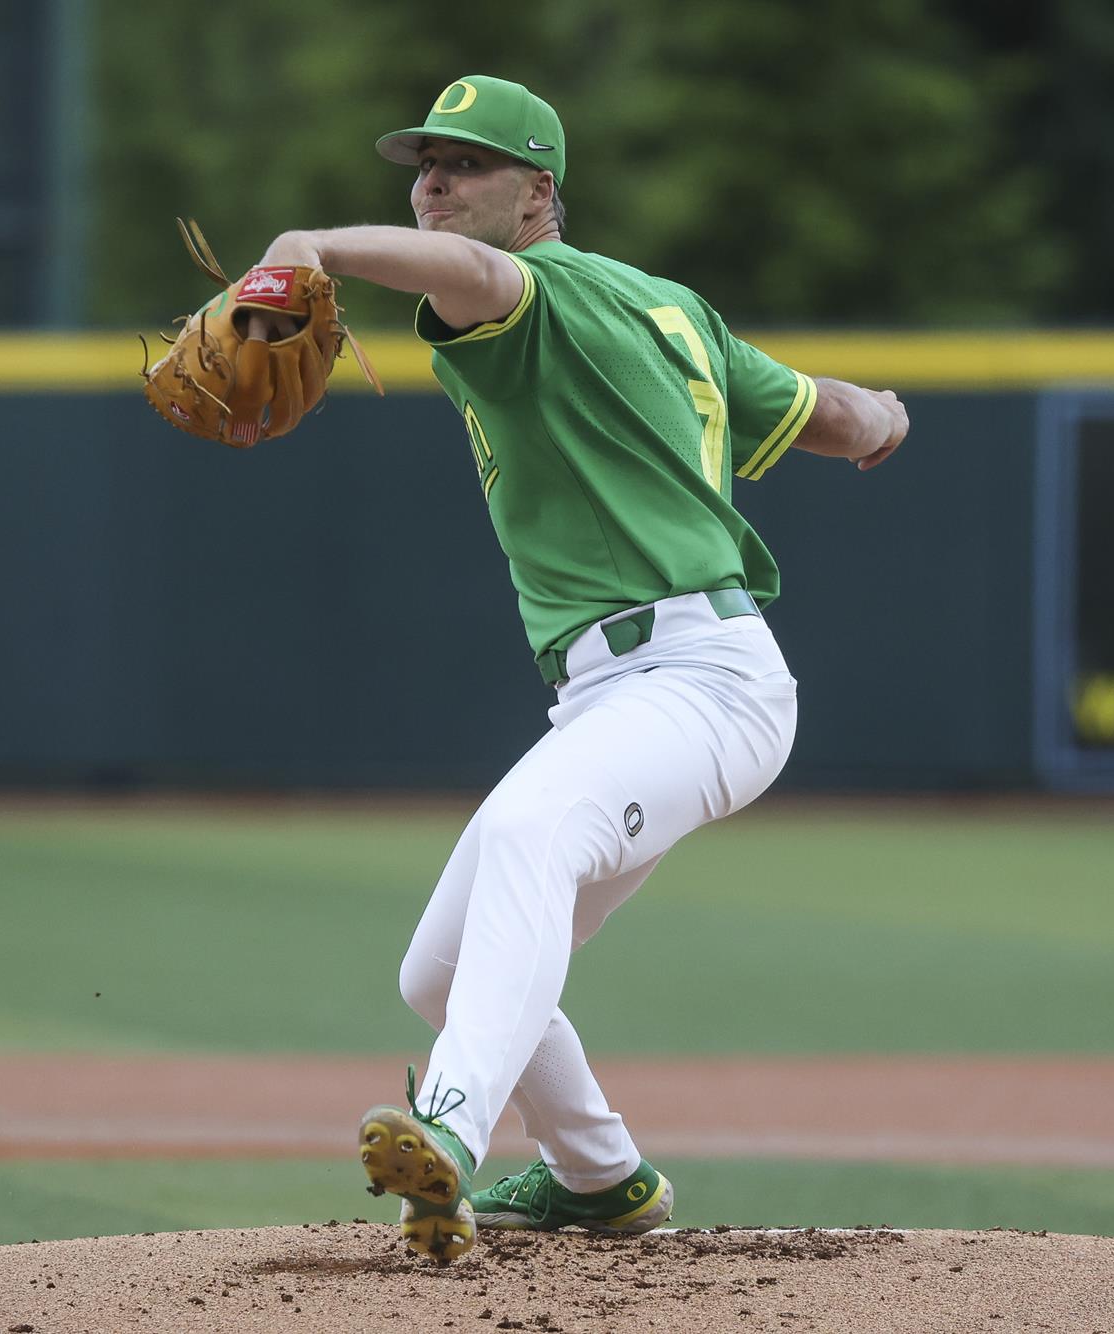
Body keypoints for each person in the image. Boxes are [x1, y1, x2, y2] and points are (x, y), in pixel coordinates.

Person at [253, 75, 908, 1263]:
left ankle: (448, 1131)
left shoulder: (528, 291)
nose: (432, 184)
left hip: (697, 679)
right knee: (439, 969)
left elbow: (473, 273)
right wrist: (880, 419)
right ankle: (599, 1177)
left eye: (465, 164)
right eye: (424, 164)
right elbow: (831, 415)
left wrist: (315, 246)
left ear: (537, 192)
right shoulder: (671, 309)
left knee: (527, 835)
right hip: (625, 694)